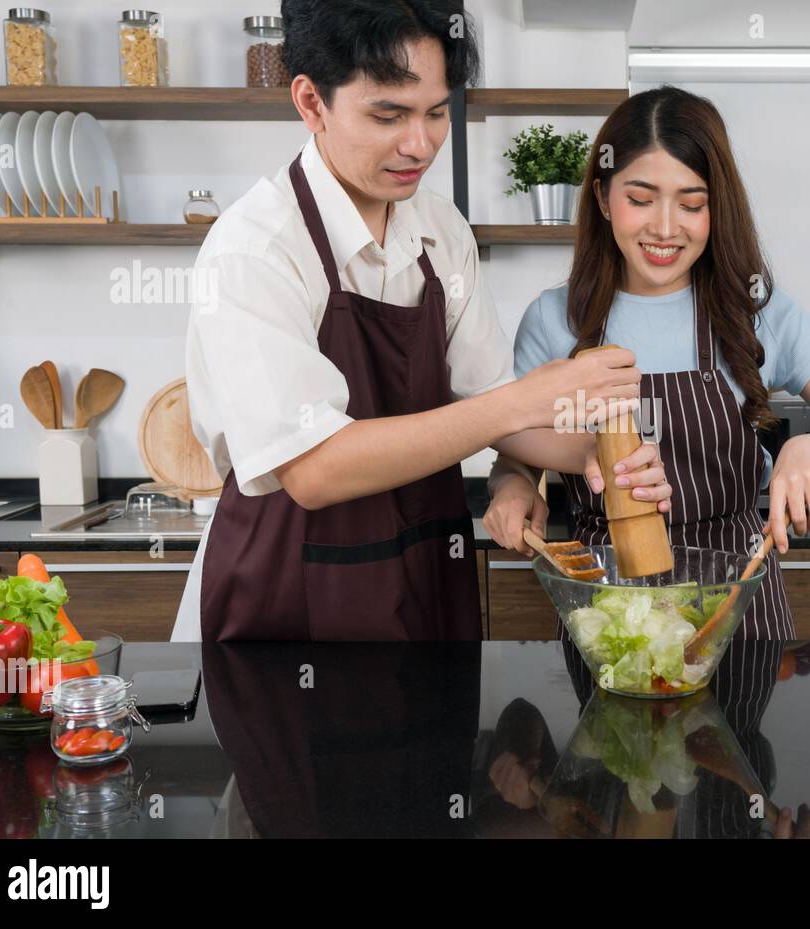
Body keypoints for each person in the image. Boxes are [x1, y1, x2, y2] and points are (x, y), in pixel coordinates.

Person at [173, 1, 670, 642]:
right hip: (290, 595)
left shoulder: (440, 230)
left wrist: (597, 457)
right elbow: (315, 469)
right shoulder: (256, 249)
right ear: (311, 102)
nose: (421, 143)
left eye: (437, 112)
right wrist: (523, 401)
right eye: (389, 115)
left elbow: (491, 404)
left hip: (424, 578)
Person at [484, 86, 810, 638]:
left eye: (692, 204)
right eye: (640, 200)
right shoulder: (554, 319)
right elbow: (517, 445)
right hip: (608, 613)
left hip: (736, 609)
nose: (666, 228)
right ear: (601, 196)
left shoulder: (756, 311)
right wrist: (511, 486)